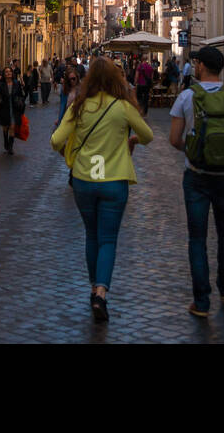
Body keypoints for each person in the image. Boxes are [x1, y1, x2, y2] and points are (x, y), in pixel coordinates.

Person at [51, 57, 154, 323]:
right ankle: (100, 293)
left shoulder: (79, 106)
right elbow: (148, 135)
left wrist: (71, 148)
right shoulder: (123, 107)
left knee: (91, 235)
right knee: (108, 238)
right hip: (114, 180)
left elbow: (55, 140)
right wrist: (131, 138)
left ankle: (93, 286)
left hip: (85, 181)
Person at [168, 46, 224, 318]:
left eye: (196, 63)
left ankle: (202, 302)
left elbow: (174, 140)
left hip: (196, 176)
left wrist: (195, 149)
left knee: (197, 238)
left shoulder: (186, 97)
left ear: (201, 67)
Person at [0, 67, 27, 154]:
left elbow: (21, 96)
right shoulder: (1, 85)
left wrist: (21, 106)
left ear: (12, 73)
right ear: (4, 74)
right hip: (4, 109)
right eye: (6, 72)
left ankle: (10, 147)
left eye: (9, 72)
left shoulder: (16, 83)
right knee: (5, 127)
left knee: (12, 127)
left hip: (14, 109)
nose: (8, 73)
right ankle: (5, 140)